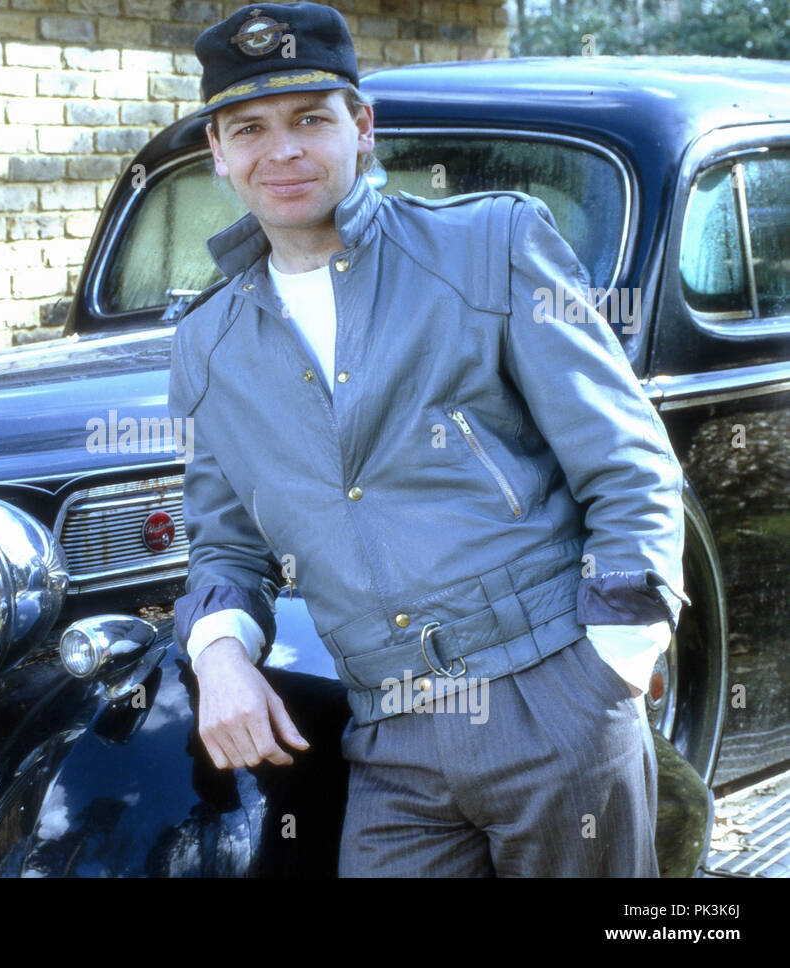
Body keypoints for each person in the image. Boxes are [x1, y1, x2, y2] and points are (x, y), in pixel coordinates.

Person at [167, 1, 689, 876]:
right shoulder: (204, 341)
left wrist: (614, 667)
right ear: (220, 154)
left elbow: (626, 458)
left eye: (309, 118)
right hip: (388, 730)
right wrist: (217, 654)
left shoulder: (491, 244)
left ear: (360, 127)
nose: (282, 150)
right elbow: (224, 542)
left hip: (551, 691)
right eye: (248, 128)